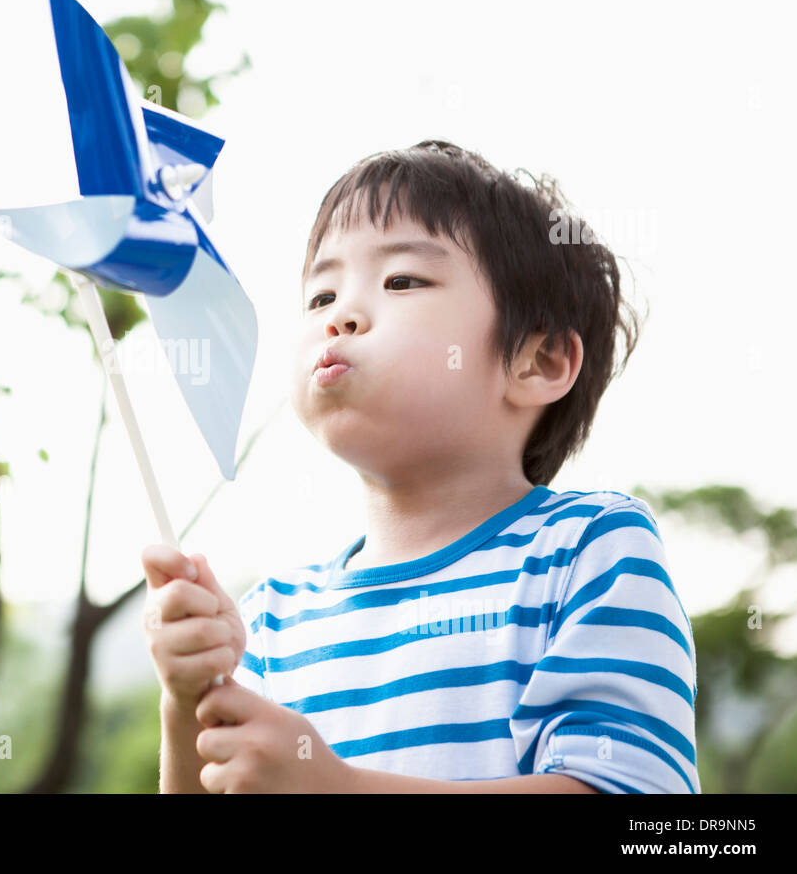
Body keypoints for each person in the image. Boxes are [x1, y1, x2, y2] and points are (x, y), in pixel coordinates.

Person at [141, 139, 699, 794]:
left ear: (538, 361)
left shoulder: (585, 551)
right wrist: (185, 704)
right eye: (320, 296)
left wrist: (337, 788)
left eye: (402, 280)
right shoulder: (271, 620)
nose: (340, 316)